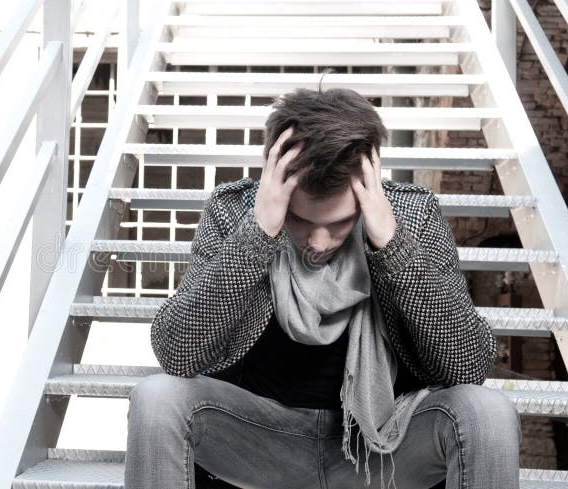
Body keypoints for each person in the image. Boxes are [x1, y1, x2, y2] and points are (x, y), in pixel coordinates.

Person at [124, 87, 521, 489]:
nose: (317, 242)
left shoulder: (410, 218)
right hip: (259, 440)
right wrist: (258, 232)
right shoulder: (236, 213)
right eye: (300, 220)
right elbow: (177, 352)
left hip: (382, 448)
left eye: (338, 224)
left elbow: (467, 366)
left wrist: (392, 245)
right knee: (156, 399)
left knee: (486, 412)